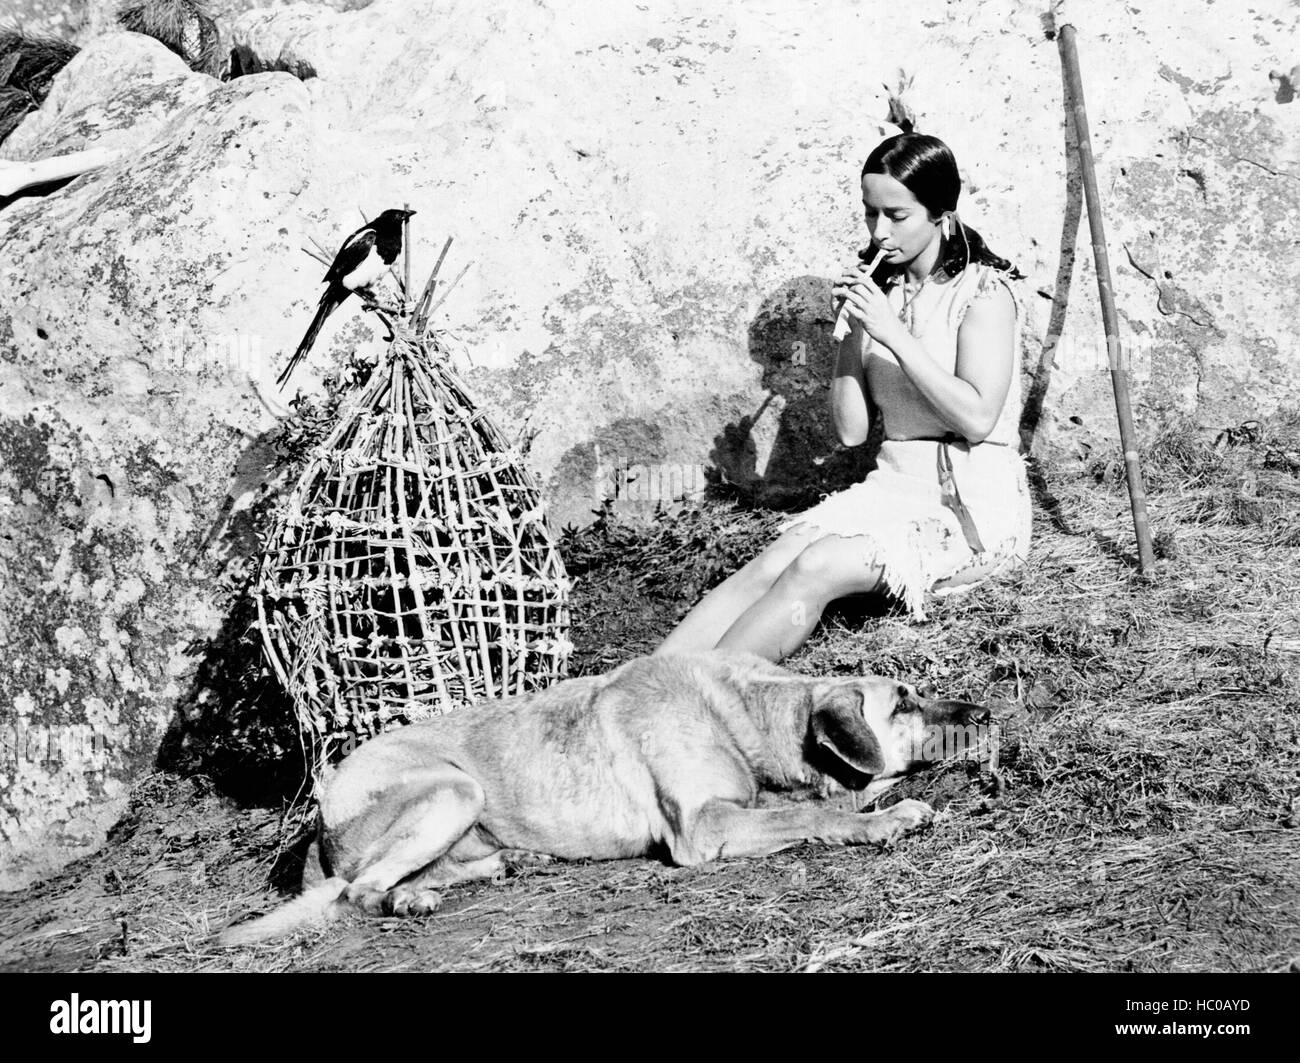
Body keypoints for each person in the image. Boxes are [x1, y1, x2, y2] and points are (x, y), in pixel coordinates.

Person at [656, 132, 1031, 662]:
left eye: (897, 216)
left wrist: (893, 335)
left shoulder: (984, 293)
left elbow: (976, 418)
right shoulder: (888, 292)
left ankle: (703, 704)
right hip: (894, 486)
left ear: (942, 212)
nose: (880, 232)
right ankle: (636, 690)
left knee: (817, 566)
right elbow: (852, 431)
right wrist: (854, 332)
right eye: (869, 213)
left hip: (973, 507)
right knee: (771, 563)